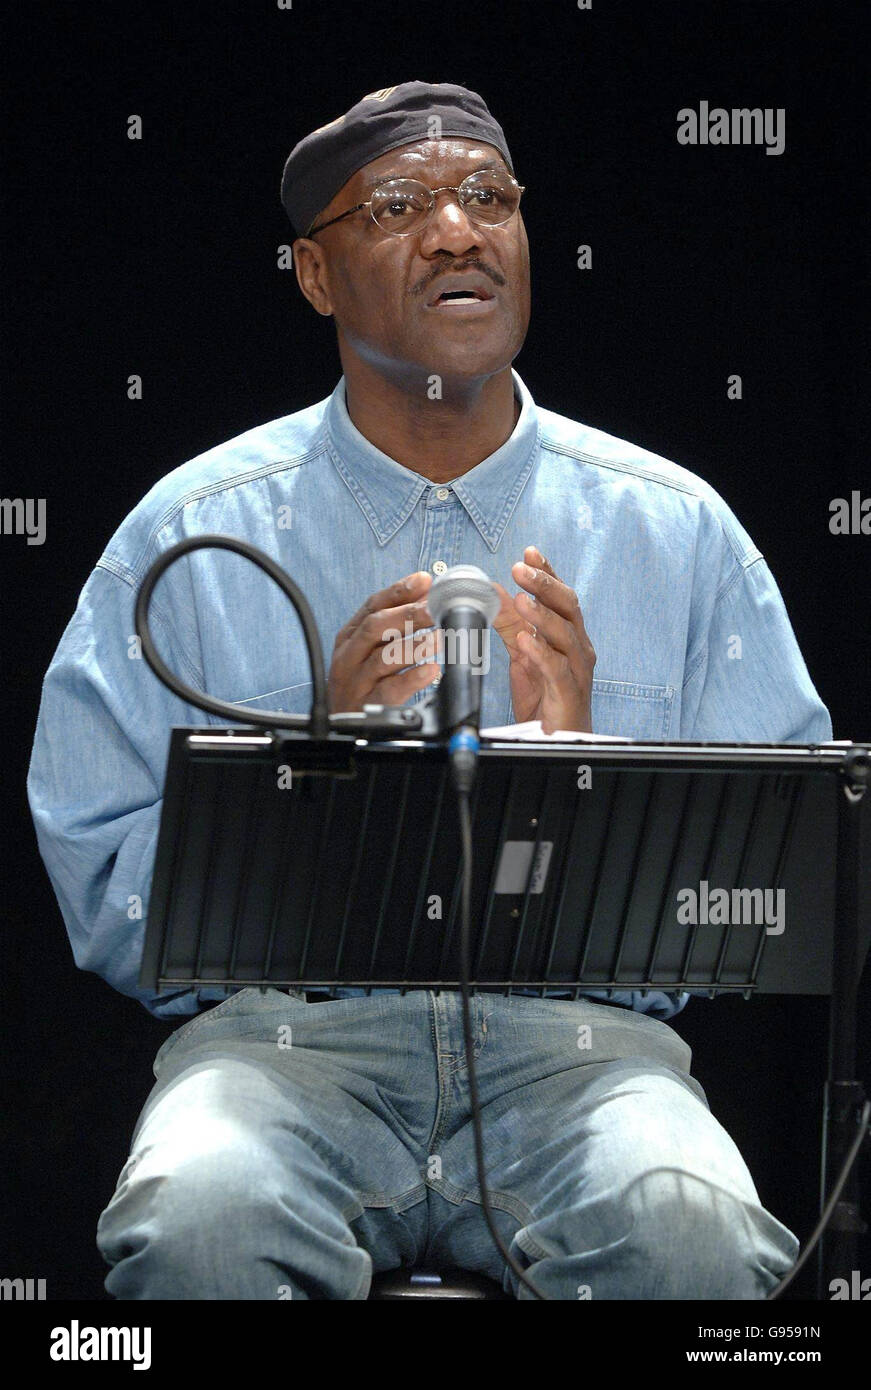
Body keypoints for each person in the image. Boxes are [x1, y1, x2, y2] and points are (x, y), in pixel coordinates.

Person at [27, 82, 831, 1300]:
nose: (457, 230)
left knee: (695, 1236)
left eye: (487, 197)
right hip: (285, 1055)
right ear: (312, 273)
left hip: (585, 1057)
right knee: (200, 1217)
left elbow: (782, 880)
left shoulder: (674, 530)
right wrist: (311, 771)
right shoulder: (193, 533)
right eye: (399, 205)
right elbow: (102, 883)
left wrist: (587, 777)